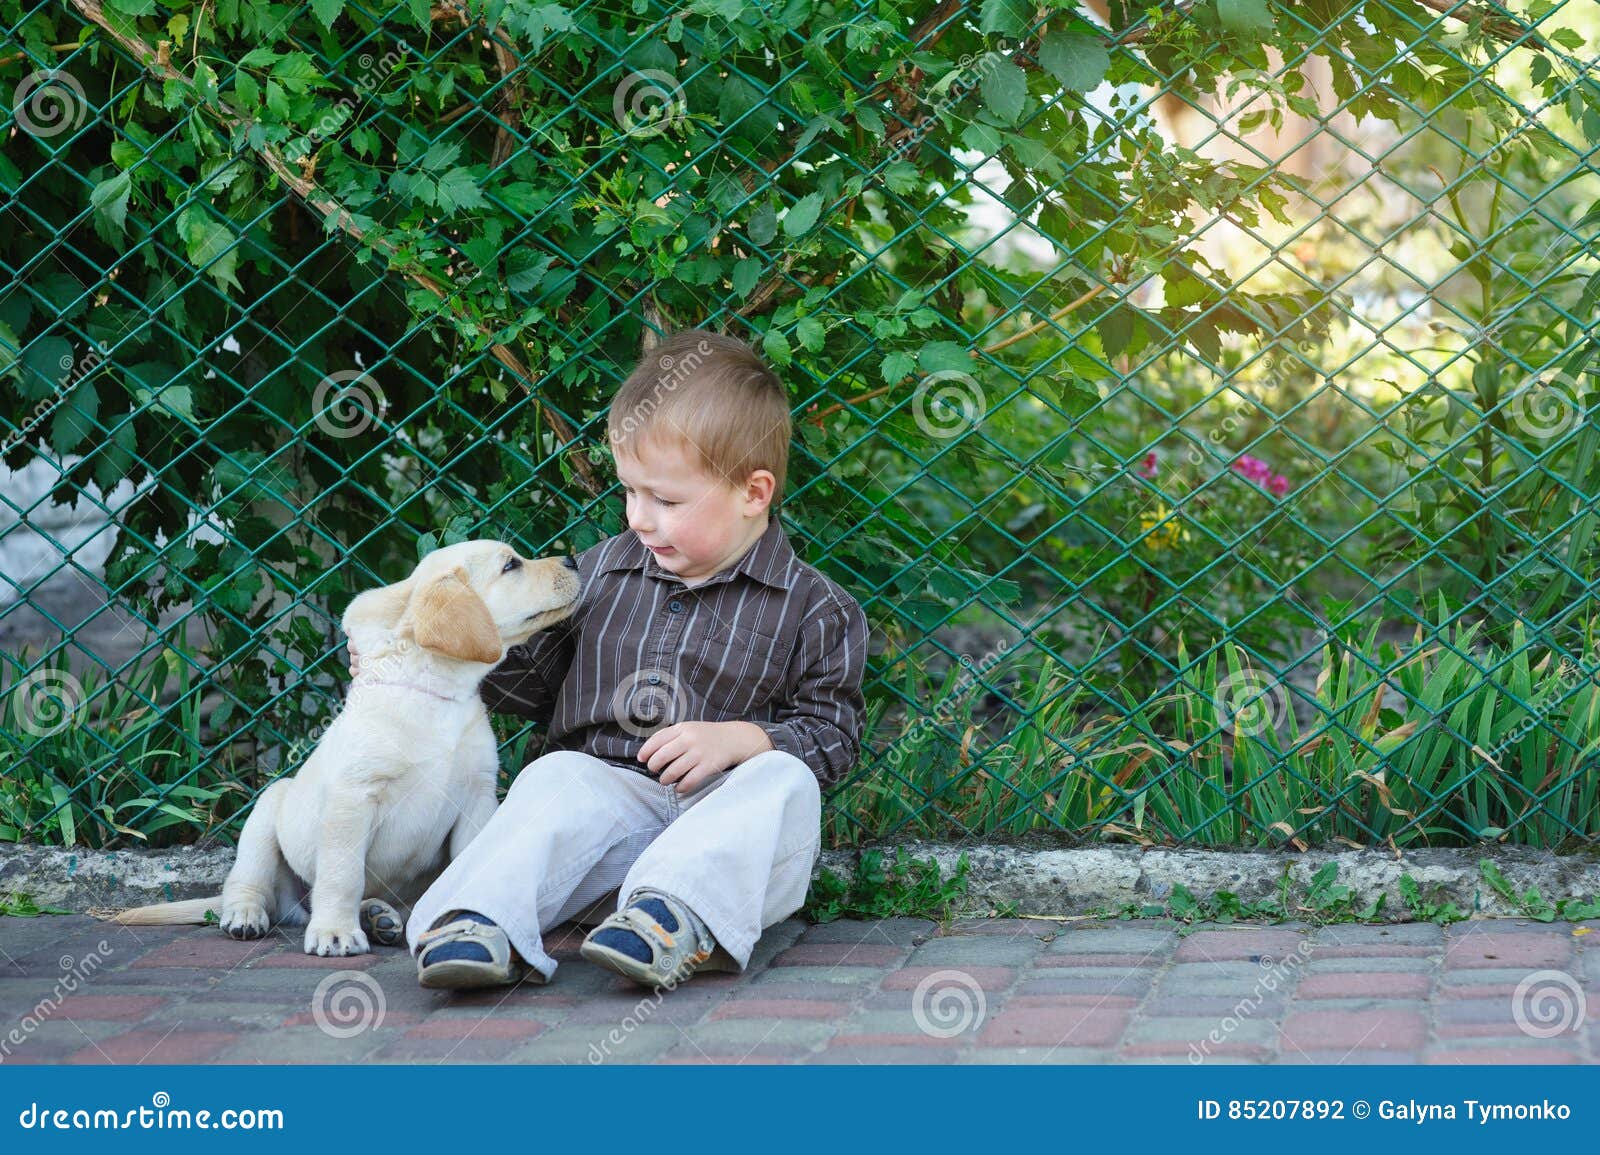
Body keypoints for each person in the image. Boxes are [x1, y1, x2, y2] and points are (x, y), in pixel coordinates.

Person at [351, 327, 869, 990]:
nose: (640, 518)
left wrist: (745, 739)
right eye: (630, 492)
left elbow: (833, 736)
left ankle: (670, 918)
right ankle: (480, 919)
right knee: (556, 774)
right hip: (604, 822)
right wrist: (431, 659)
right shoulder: (603, 571)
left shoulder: (815, 607)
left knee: (785, 782)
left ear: (754, 492)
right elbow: (533, 679)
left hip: (723, 837)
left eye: (667, 500)